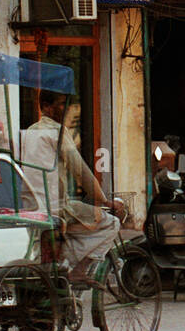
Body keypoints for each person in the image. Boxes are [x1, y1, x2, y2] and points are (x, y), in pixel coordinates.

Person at [20, 91, 124, 277]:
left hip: (31, 207)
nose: (65, 109)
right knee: (111, 223)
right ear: (45, 106)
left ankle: (63, 264)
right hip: (56, 208)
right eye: (60, 104)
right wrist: (105, 201)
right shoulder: (55, 131)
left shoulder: (28, 133)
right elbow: (80, 171)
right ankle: (79, 270)